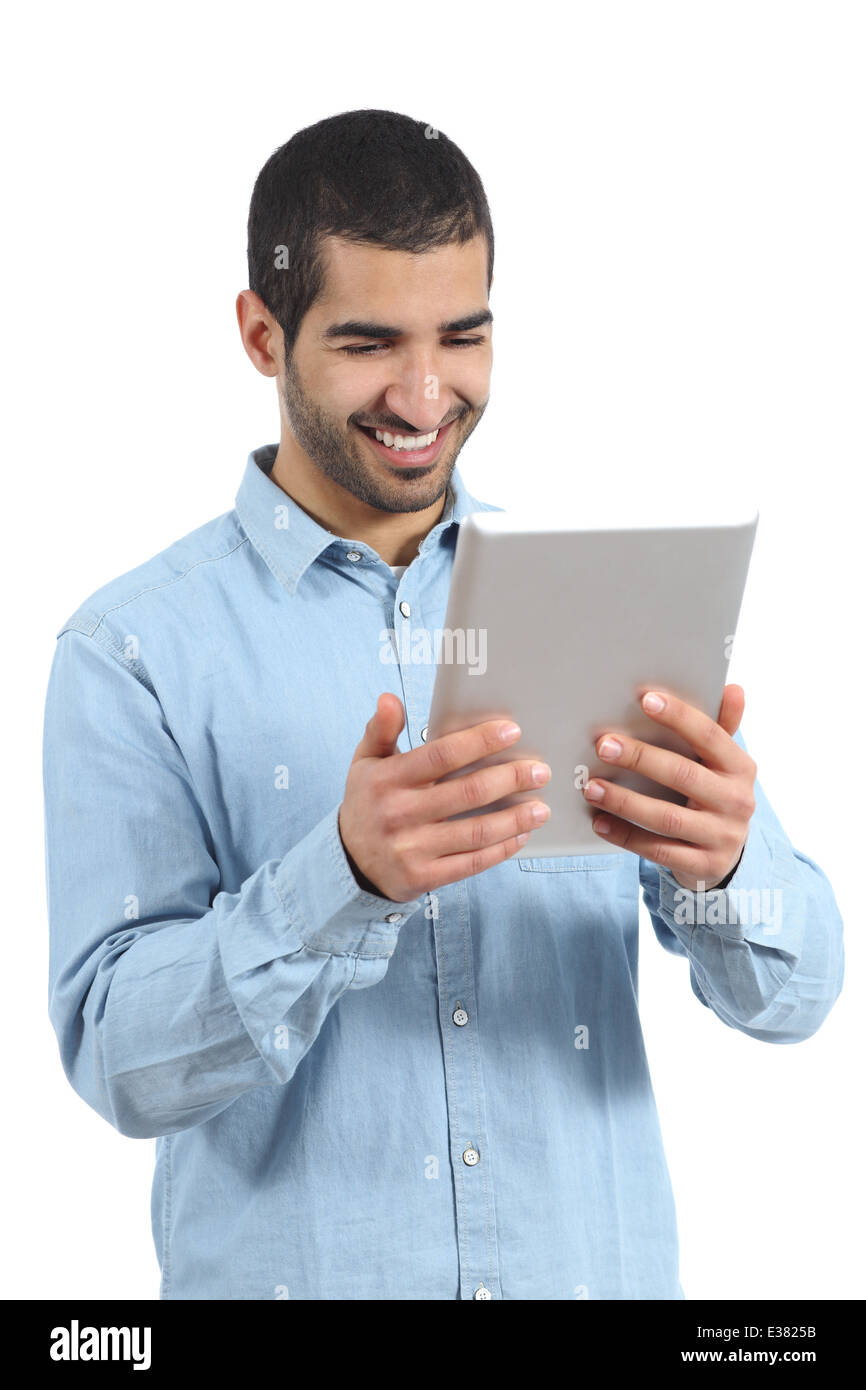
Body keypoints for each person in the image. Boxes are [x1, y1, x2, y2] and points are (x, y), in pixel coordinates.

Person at [43, 108, 844, 1301]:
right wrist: (339, 881)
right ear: (262, 335)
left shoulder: (599, 596)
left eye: (460, 337)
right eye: (368, 342)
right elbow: (121, 1063)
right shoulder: (136, 650)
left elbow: (797, 995)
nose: (425, 394)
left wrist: (727, 867)